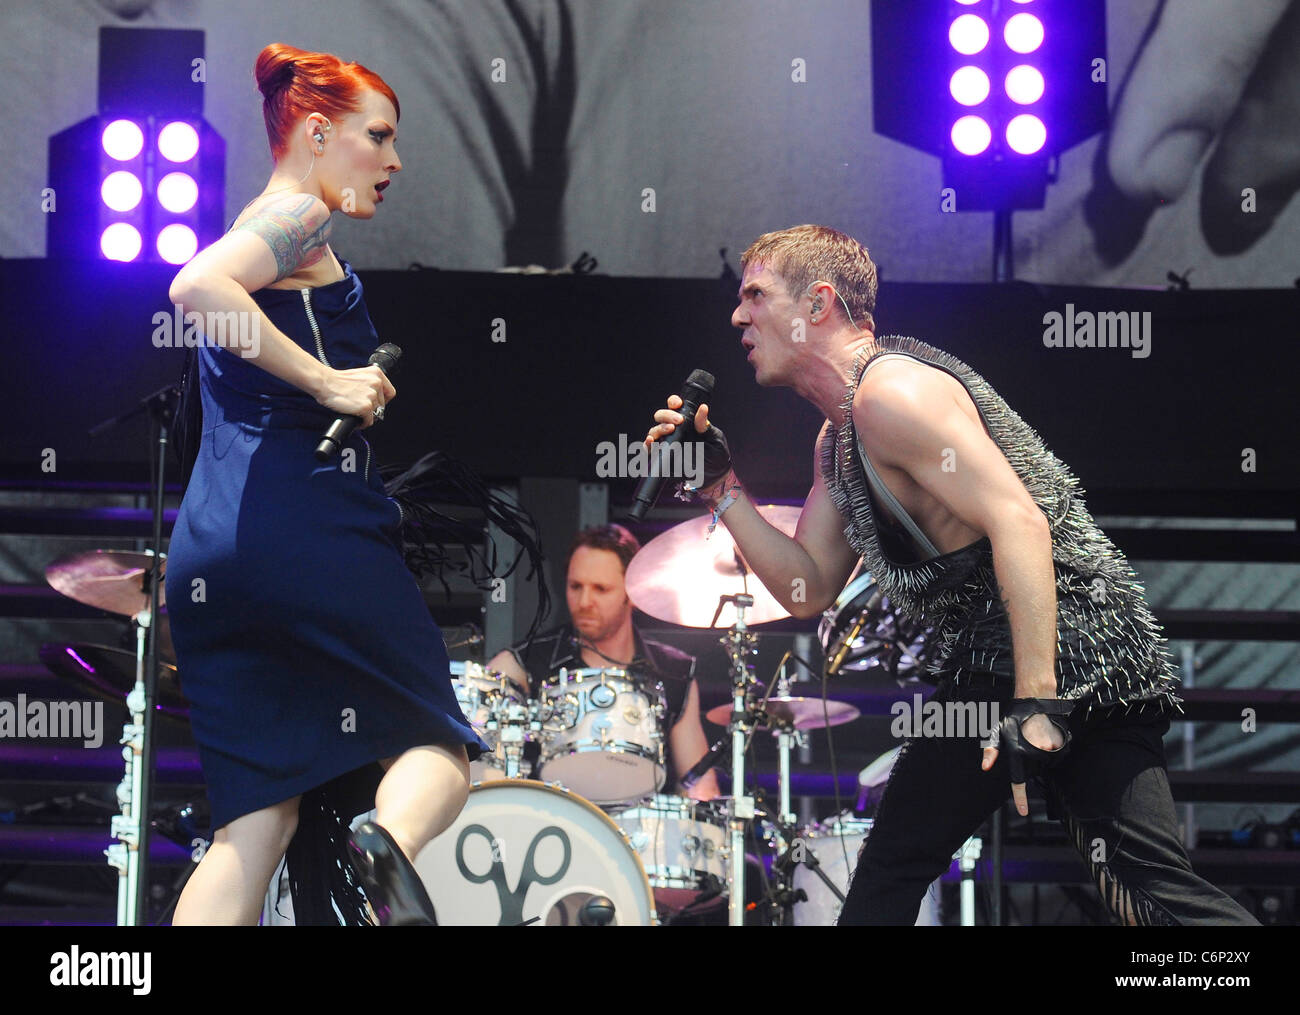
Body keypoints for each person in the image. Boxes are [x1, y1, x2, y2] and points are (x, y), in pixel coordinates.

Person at [645, 224, 1259, 926]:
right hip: (994, 663)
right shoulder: (837, 436)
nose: (738, 315)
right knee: (894, 874)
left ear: (816, 304)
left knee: (1150, 895)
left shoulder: (891, 394)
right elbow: (807, 586)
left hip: (1071, 653)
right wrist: (723, 488)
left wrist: (1037, 702)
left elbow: (1019, 521)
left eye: (755, 294)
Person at [164, 44, 489, 926]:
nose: (393, 162)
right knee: (439, 748)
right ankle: (384, 841)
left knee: (252, 829)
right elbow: (195, 284)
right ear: (315, 131)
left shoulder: (268, 222)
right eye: (377, 137)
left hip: (211, 551)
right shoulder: (299, 216)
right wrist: (328, 380)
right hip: (307, 527)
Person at [487, 524, 722, 802]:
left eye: (601, 589)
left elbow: (698, 784)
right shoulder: (525, 664)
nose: (585, 601)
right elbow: (480, 759)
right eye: (576, 586)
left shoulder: (674, 674)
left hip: (642, 836)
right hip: (549, 829)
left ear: (632, 593)